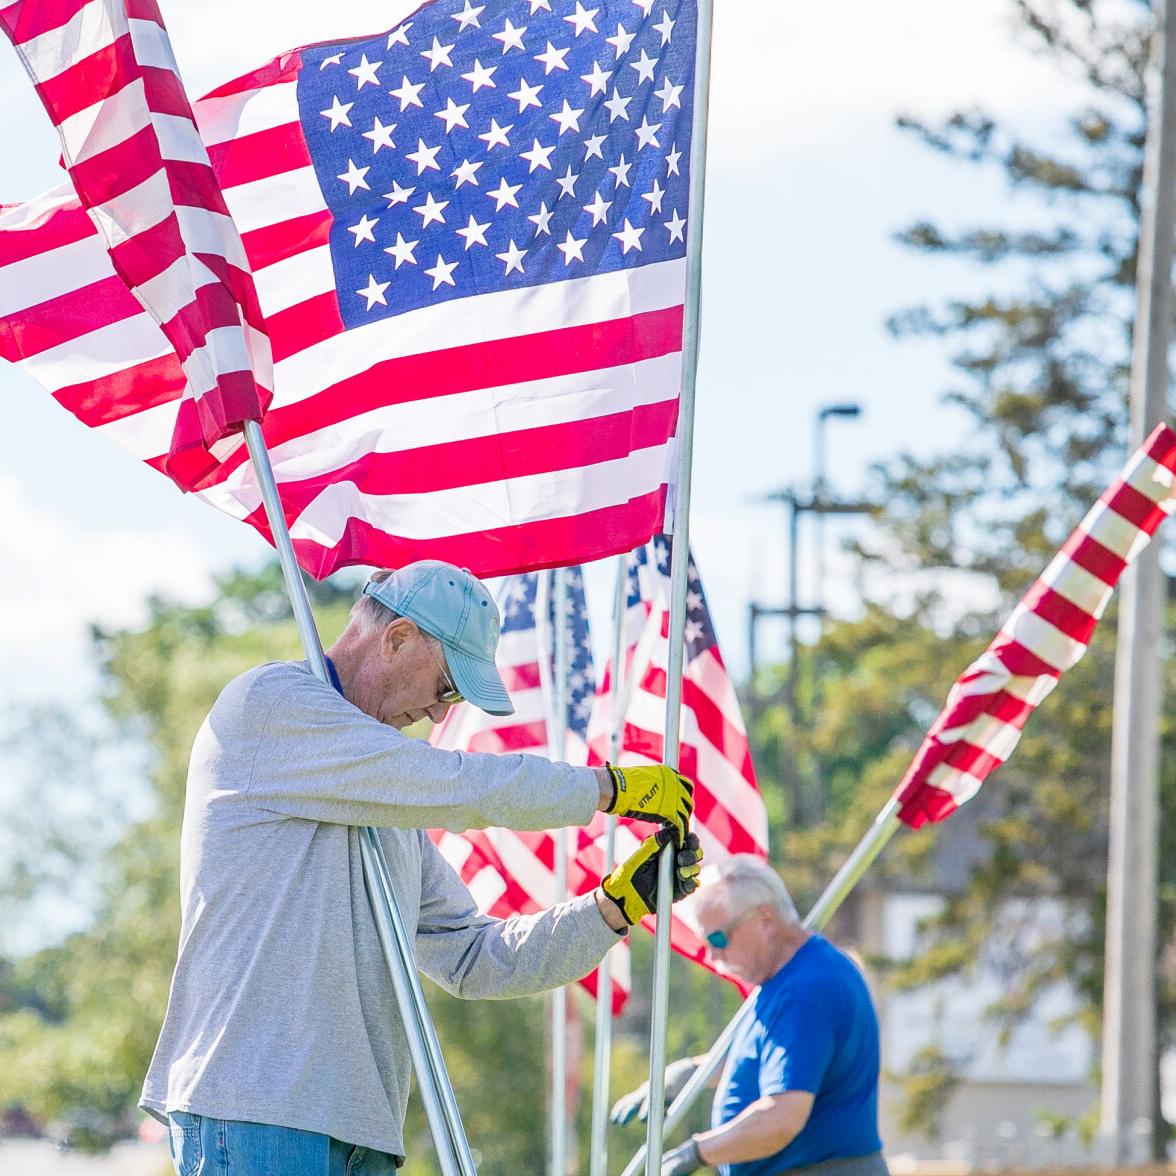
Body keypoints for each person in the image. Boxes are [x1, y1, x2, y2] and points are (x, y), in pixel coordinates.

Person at [141, 560, 700, 1175]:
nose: (439, 714)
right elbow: (460, 787)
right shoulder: (270, 704)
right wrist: (604, 788)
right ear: (398, 637)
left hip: (360, 1127)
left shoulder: (385, 795)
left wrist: (614, 907)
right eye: (448, 686)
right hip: (254, 1107)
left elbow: (474, 958)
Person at [611, 855, 887, 1176]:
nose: (713, 955)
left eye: (718, 938)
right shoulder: (792, 976)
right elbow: (776, 1063)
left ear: (765, 919)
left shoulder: (808, 989)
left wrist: (696, 1153)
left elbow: (781, 1117)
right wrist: (687, 1074)